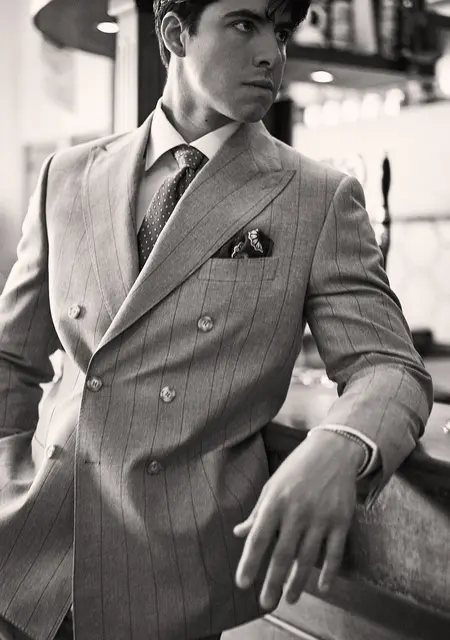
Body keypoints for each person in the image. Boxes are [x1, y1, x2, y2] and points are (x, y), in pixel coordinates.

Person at [0, 0, 433, 639]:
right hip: (25, 557)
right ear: (175, 33)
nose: (271, 54)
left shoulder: (317, 197)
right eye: (244, 24)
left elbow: (390, 366)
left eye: (280, 32)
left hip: (166, 582)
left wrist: (340, 446)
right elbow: (12, 359)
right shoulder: (66, 176)